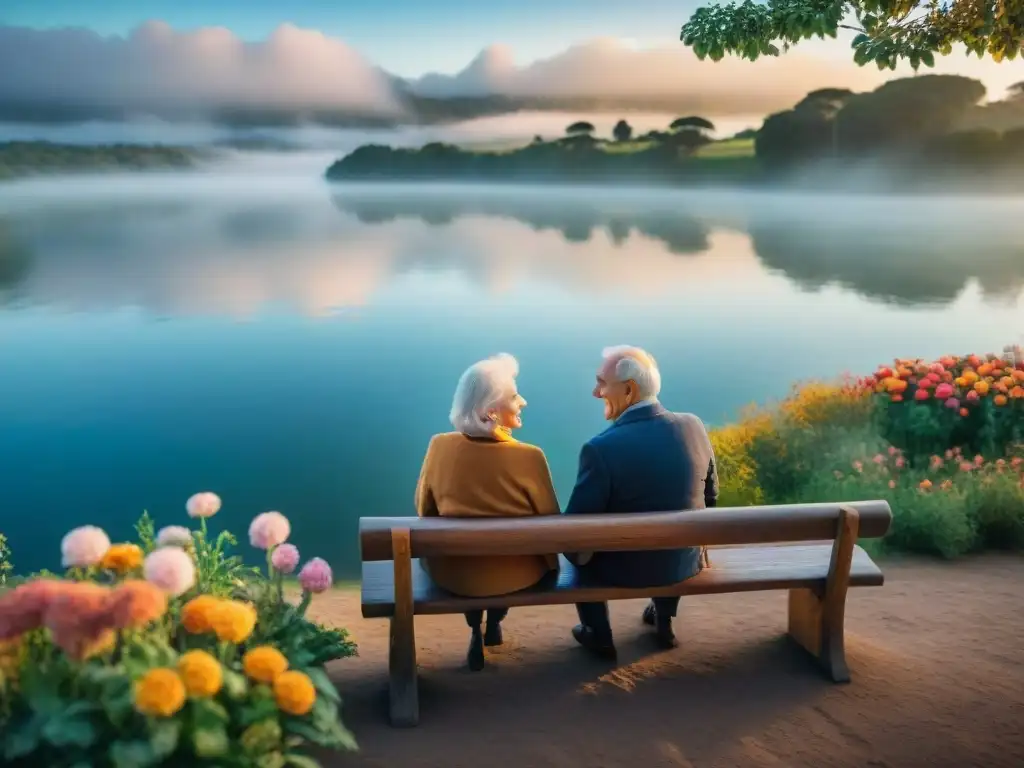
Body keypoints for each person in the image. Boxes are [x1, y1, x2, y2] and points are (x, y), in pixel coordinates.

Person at [564, 345, 718, 658]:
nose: (596, 392)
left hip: (623, 571)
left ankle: (599, 633)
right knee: (678, 532)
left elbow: (574, 533)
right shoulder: (694, 426)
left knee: (579, 553)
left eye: (602, 383)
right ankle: (664, 620)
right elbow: (710, 497)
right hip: (683, 562)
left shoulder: (601, 449)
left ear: (630, 389)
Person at [414, 353, 560, 671]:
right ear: (491, 410)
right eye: (514, 396)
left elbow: (424, 507)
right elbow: (550, 522)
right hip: (515, 574)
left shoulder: (439, 446)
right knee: (503, 568)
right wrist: (552, 566)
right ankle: (494, 621)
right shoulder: (530, 457)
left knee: (473, 567)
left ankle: (474, 629)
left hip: (453, 573)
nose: (523, 401)